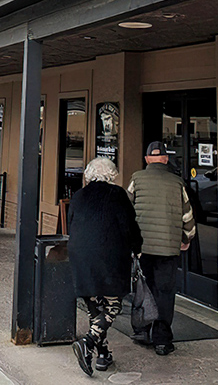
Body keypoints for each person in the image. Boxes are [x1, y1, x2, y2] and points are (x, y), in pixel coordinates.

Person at [68, 157, 142, 377]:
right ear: (111, 175)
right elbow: (129, 226)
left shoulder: (79, 195)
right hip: (109, 257)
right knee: (112, 306)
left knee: (94, 308)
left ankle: (102, 355)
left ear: (89, 174)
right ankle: (88, 343)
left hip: (81, 256)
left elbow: (71, 223)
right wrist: (137, 247)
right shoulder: (117, 195)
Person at [127, 141, 195, 356]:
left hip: (142, 247)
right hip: (168, 248)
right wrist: (186, 238)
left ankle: (141, 330)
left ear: (147, 159)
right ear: (165, 159)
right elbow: (188, 216)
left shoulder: (136, 179)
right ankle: (162, 341)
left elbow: (126, 210)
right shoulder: (177, 183)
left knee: (143, 289)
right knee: (164, 292)